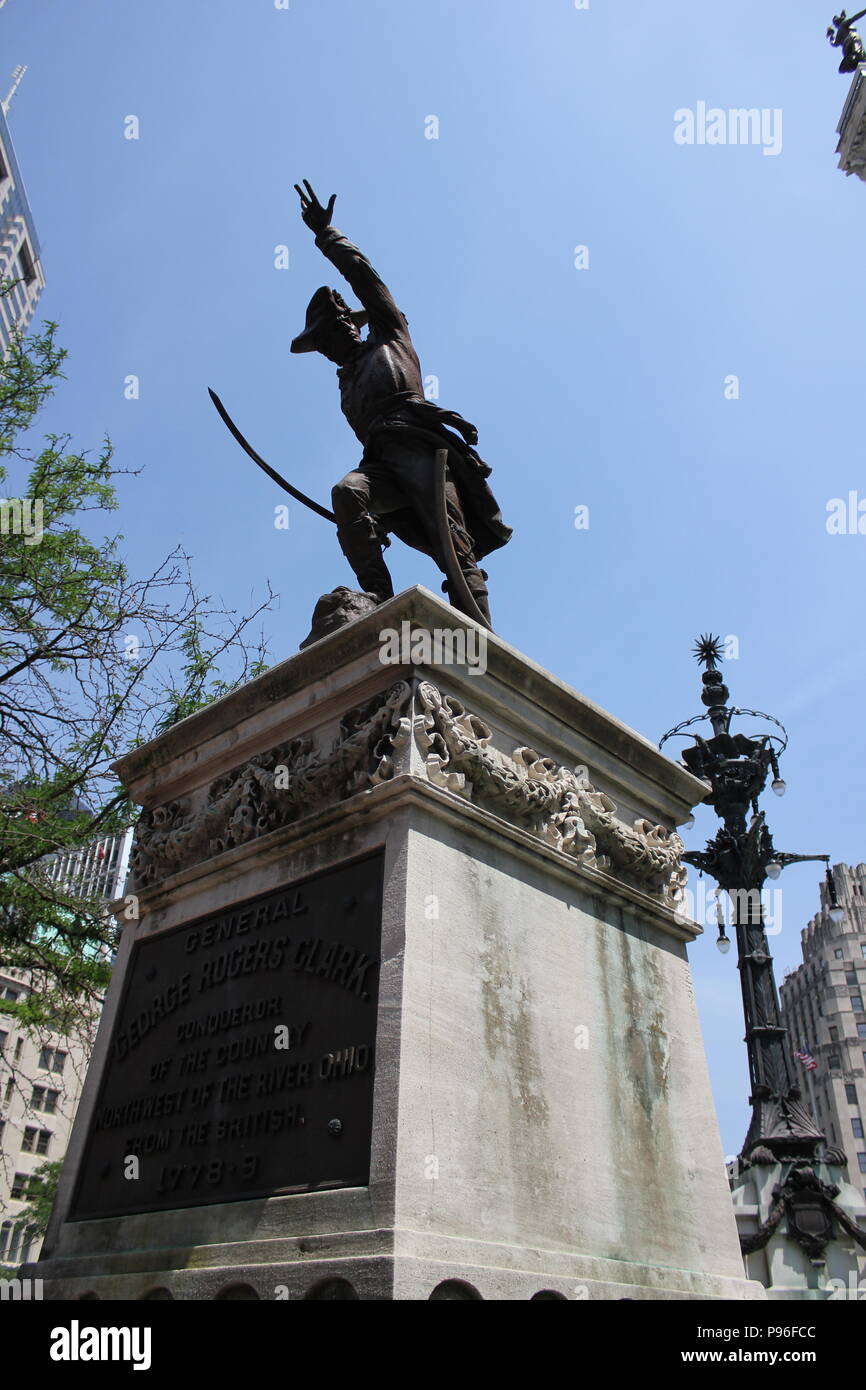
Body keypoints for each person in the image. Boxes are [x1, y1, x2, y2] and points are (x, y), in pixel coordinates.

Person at [290, 181, 511, 625]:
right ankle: (378, 598)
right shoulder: (346, 384)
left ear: (350, 325)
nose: (334, 340)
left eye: (337, 328)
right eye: (324, 339)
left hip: (420, 451)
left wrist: (327, 236)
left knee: (452, 545)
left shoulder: (390, 339)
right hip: (383, 463)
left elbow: (367, 279)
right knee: (347, 494)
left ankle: (483, 643)